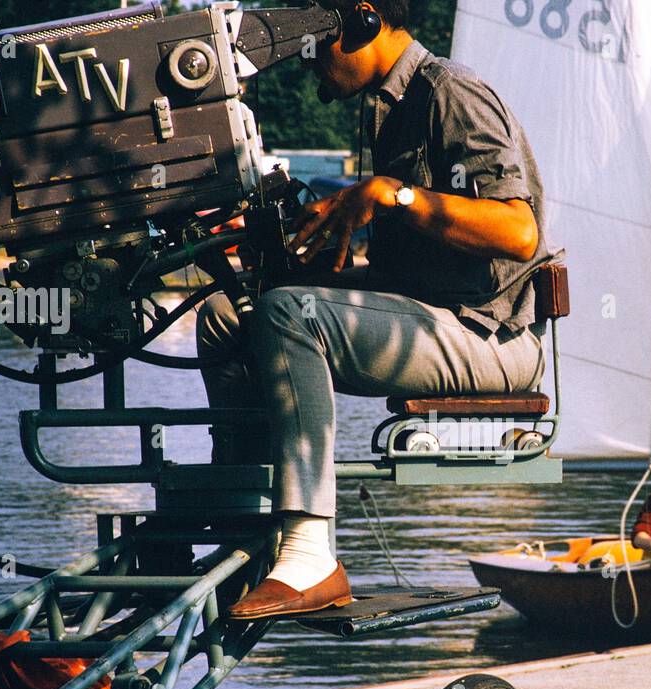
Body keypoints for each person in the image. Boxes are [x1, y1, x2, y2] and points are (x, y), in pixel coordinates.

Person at [197, 0, 556, 619]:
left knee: (289, 314)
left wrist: (397, 195)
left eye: (313, 49)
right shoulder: (389, 114)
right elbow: (407, 272)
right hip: (437, 320)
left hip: (493, 335)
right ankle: (252, 531)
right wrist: (314, 264)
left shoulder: (451, 93)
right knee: (230, 315)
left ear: (361, 19)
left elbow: (519, 232)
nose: (309, 70)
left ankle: (311, 550)